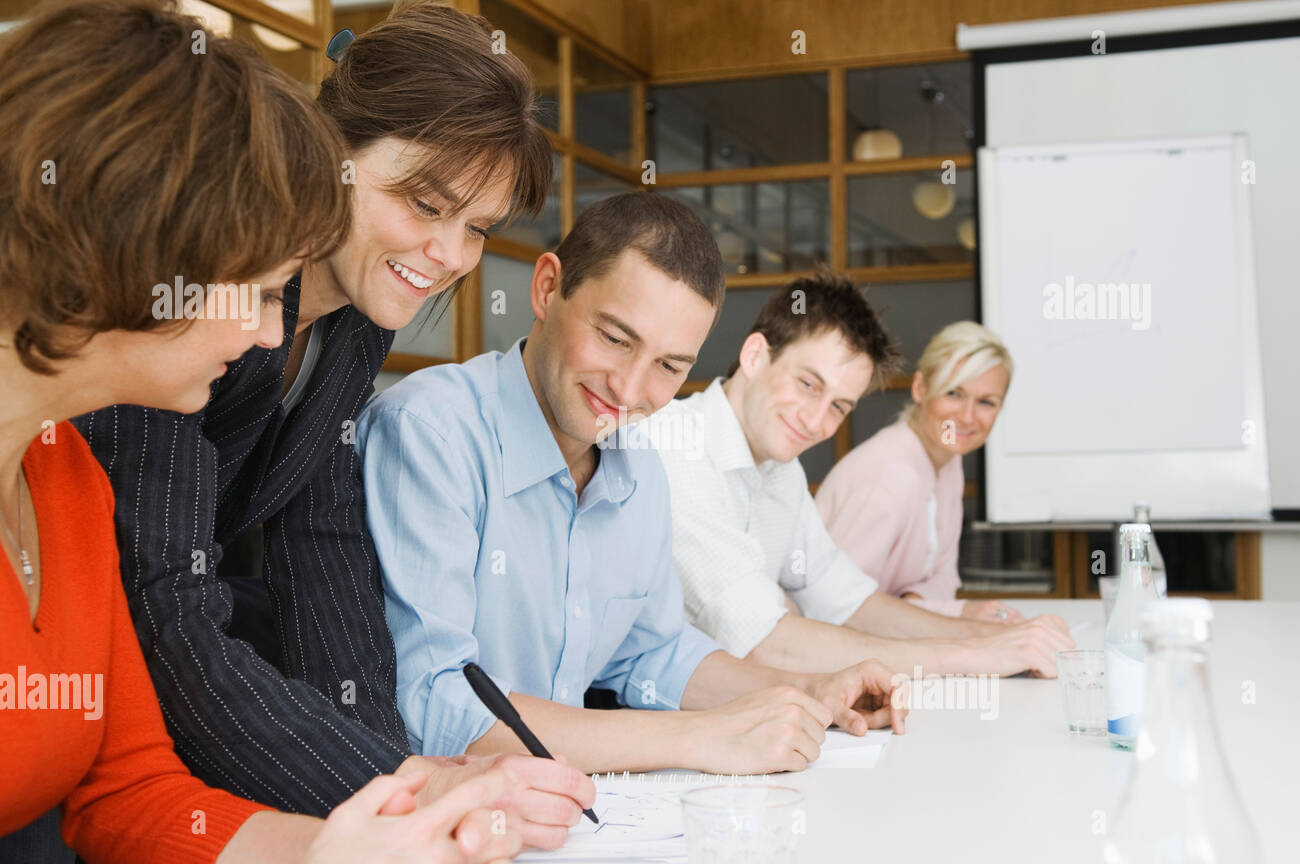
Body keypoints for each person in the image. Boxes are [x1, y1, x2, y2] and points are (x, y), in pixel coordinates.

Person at [0, 0, 579, 864]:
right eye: (424, 202)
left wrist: (400, 797)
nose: (453, 255)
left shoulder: (69, 478)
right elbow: (168, 607)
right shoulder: (157, 344)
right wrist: (400, 791)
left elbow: (327, 558)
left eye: (479, 228)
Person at [356, 194, 907, 776]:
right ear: (546, 289)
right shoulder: (430, 433)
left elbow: (656, 653)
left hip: (561, 814)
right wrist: (699, 738)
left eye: (670, 366)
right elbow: (434, 709)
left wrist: (808, 691)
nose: (628, 388)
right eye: (616, 338)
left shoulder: (640, 470)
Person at [651, 276, 1071, 677]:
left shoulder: (782, 470)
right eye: (808, 384)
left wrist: (1000, 637)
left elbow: (850, 602)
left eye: (839, 406)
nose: (816, 422)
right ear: (756, 355)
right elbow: (762, 640)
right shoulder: (677, 447)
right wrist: (976, 655)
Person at [818, 320, 1028, 624]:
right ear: (920, 388)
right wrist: (958, 613)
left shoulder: (947, 460)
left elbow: (944, 574)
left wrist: (919, 605)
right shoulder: (890, 474)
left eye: (986, 402)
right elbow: (835, 606)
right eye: (953, 393)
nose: (967, 416)